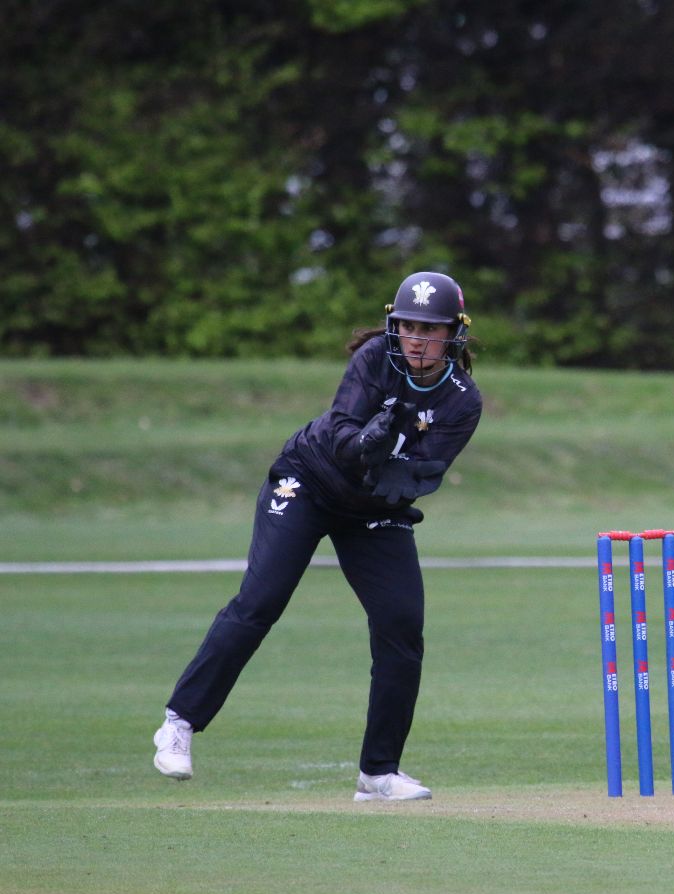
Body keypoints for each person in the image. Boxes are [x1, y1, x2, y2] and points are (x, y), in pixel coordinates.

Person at [153, 271, 483, 802]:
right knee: (261, 600)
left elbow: (423, 474)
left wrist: (384, 463)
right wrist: (365, 444)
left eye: (432, 329)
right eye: (409, 326)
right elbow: (338, 435)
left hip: (375, 507)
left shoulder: (462, 400)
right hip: (309, 480)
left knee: (402, 626)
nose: (418, 339)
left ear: (454, 334)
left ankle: (378, 773)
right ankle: (179, 723)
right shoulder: (374, 358)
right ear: (394, 326)